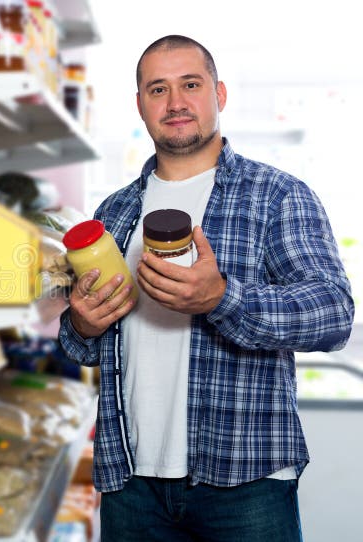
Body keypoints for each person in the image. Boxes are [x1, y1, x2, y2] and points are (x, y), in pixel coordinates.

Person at [59, 35, 354, 541]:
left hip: (245, 481)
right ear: (140, 106)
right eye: (158, 89)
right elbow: (82, 345)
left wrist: (222, 298)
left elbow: (333, 314)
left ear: (218, 94)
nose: (175, 102)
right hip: (131, 483)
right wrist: (83, 323)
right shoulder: (114, 212)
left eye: (190, 85)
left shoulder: (278, 195)